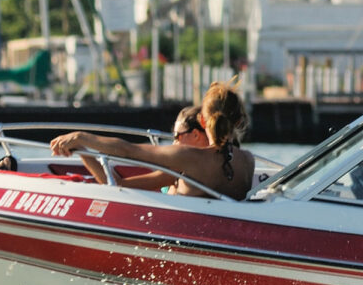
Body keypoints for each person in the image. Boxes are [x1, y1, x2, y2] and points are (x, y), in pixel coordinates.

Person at [51, 82, 255, 200]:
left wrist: (82, 138)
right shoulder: (248, 161)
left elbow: (128, 150)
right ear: (238, 121)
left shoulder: (188, 158)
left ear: (202, 121)